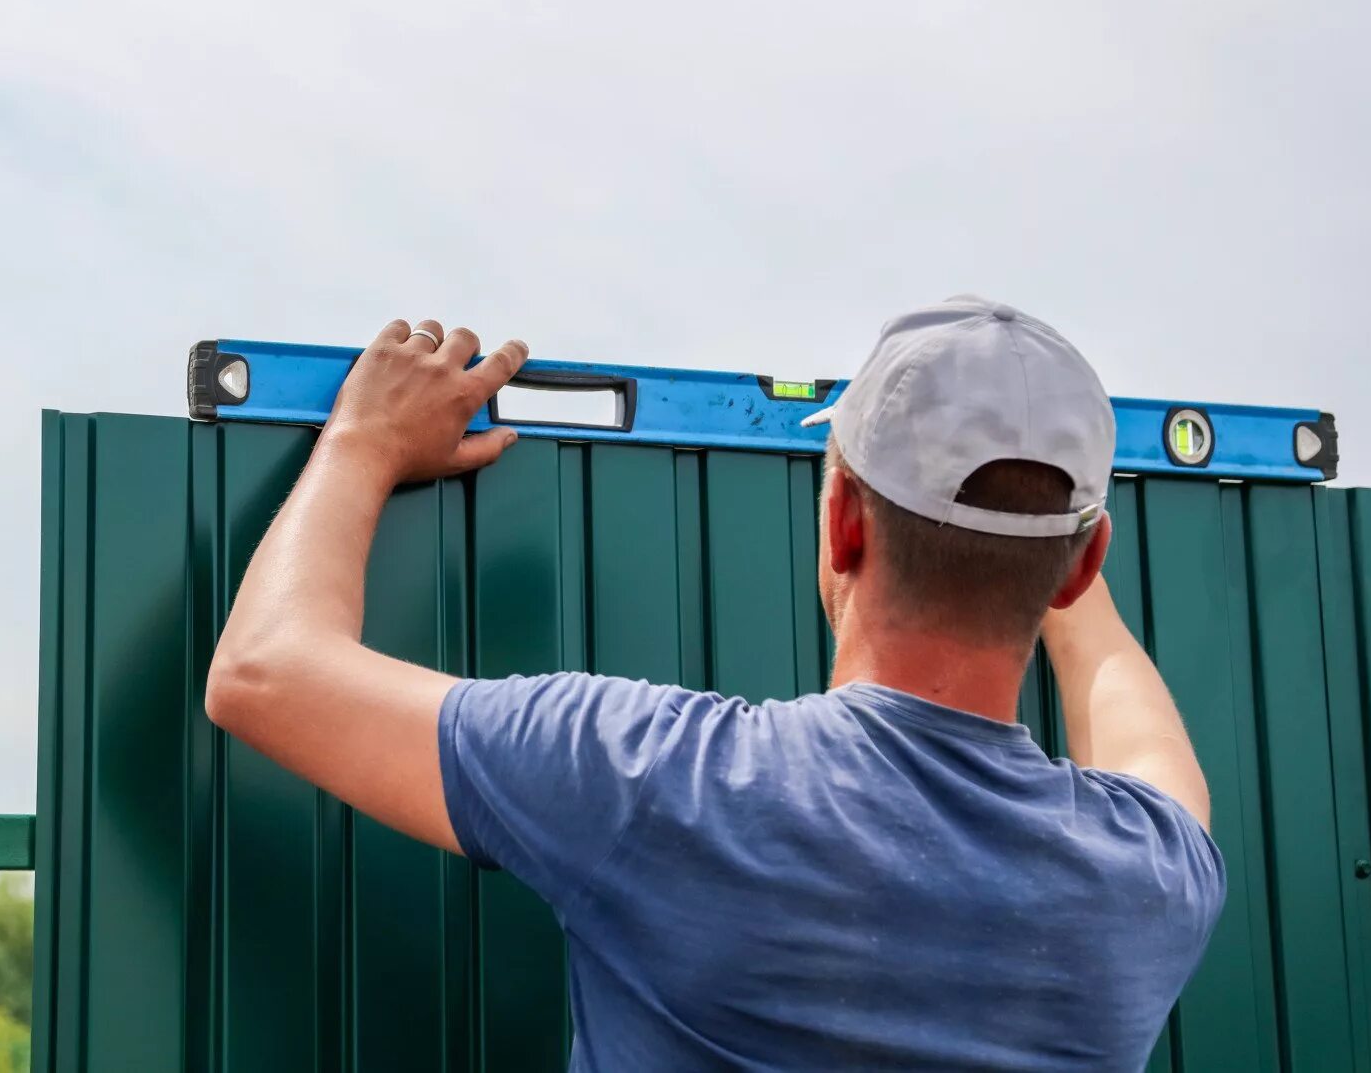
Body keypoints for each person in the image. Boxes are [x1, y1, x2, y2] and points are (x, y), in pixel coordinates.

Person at [204, 296, 1225, 1071]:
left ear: (841, 524)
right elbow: (1125, 708)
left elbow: (262, 669)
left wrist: (363, 440)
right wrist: (1036, 545)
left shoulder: (656, 779)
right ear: (1083, 566)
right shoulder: (1147, 876)